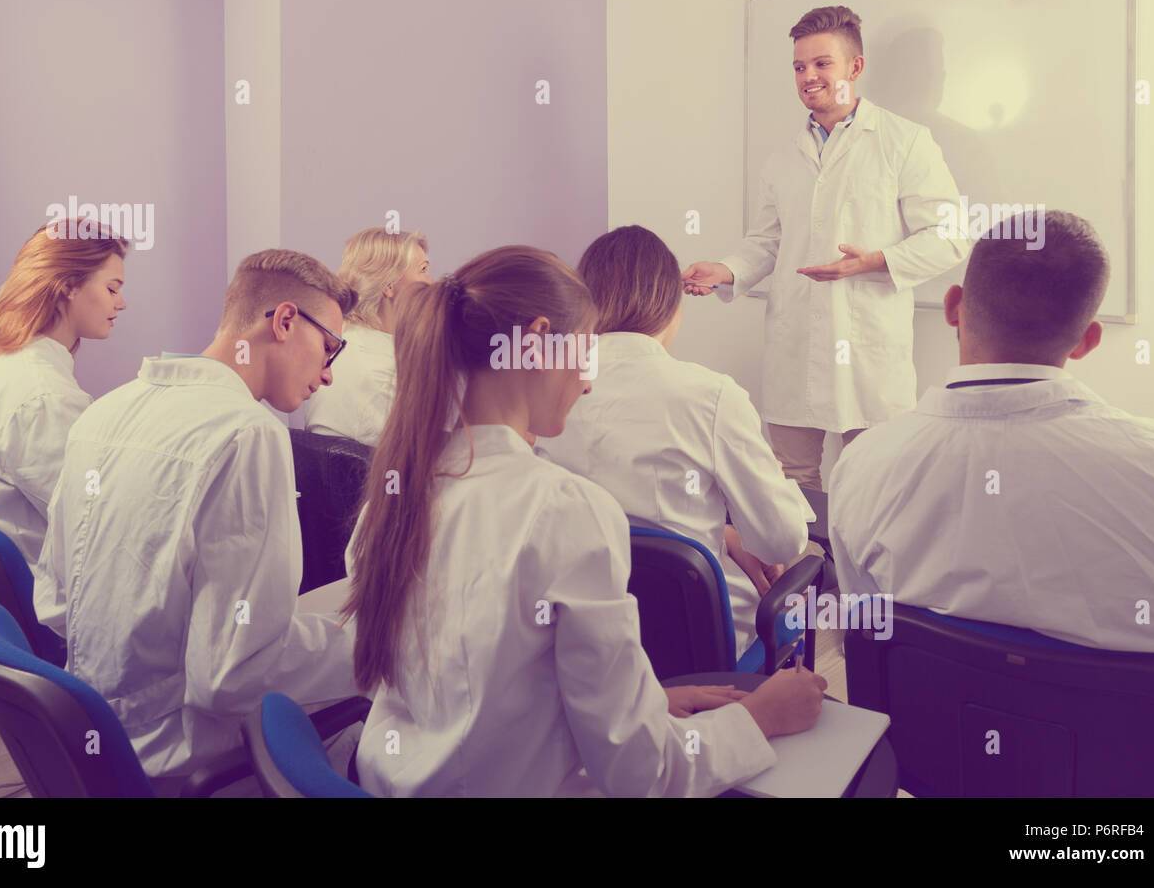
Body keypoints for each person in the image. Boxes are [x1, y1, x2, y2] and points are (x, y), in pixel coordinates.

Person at [343, 245, 827, 797]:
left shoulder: (394, 500)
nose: (589, 382)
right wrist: (759, 718)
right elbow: (643, 775)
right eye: (585, 353)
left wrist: (645, 702)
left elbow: (473, 692)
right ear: (535, 343)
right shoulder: (564, 513)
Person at [34, 249, 362, 785]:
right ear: (283, 321)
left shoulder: (105, 410)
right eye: (329, 349)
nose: (327, 376)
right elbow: (231, 676)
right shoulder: (247, 433)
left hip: (95, 745)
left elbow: (55, 603)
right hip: (187, 764)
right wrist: (375, 648)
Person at [830, 210, 1154, 657]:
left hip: (928, 725)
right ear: (1088, 340)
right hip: (1131, 728)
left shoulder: (863, 463)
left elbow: (864, 635)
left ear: (951, 308)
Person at [683, 5, 969, 490]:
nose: (808, 77)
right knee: (793, 484)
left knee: (876, 486)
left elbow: (950, 235)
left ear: (854, 68)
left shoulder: (904, 143)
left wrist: (874, 262)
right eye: (799, 67)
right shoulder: (782, 159)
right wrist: (726, 270)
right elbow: (769, 242)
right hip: (796, 351)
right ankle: (809, 568)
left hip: (869, 354)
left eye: (822, 64)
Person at [535, 226, 814, 658]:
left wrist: (724, 530)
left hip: (575, 641)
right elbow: (780, 542)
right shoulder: (711, 396)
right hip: (694, 642)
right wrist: (768, 492)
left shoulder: (545, 392)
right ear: (672, 304)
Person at [0, 218, 128, 569]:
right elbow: (101, 522)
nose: (121, 303)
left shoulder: (7, 366)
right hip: (47, 601)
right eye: (112, 289)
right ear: (69, 285)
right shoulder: (40, 395)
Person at [303, 227, 432, 446]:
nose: (432, 282)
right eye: (423, 270)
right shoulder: (391, 373)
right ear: (389, 285)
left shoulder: (339, 345)